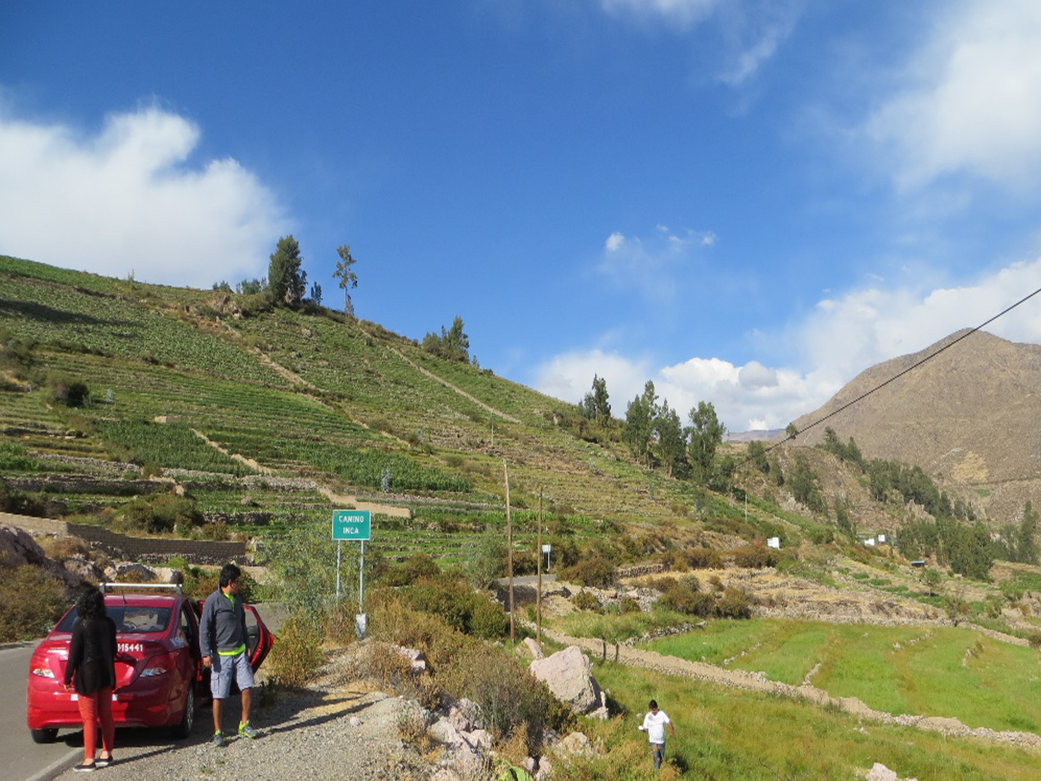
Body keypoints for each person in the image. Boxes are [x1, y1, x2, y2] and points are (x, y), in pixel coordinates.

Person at [200, 563, 259, 746]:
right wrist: (206, 654)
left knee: (247, 686)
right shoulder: (213, 601)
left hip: (240, 653)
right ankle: (218, 732)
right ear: (230, 582)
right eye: (237, 582)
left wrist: (247, 644)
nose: (239, 585)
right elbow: (204, 629)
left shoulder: (238, 600)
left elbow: (242, 623)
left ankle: (244, 723)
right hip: (221, 656)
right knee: (219, 695)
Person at [64, 585, 117, 772]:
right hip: (106, 674)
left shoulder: (82, 624)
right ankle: (107, 753)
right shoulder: (109, 623)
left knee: (89, 718)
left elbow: (74, 655)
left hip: (87, 675)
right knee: (106, 715)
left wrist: (67, 677)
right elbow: (114, 650)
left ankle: (89, 759)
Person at [638, 699, 675, 771]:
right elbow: (646, 729)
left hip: (661, 741)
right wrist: (642, 729)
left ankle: (658, 769)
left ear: (657, 707)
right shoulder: (648, 716)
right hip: (653, 741)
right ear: (650, 709)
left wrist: (672, 730)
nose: (654, 711)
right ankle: (656, 773)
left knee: (661, 759)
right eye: (652, 709)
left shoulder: (662, 714)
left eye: (655, 709)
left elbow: (669, 722)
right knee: (656, 758)